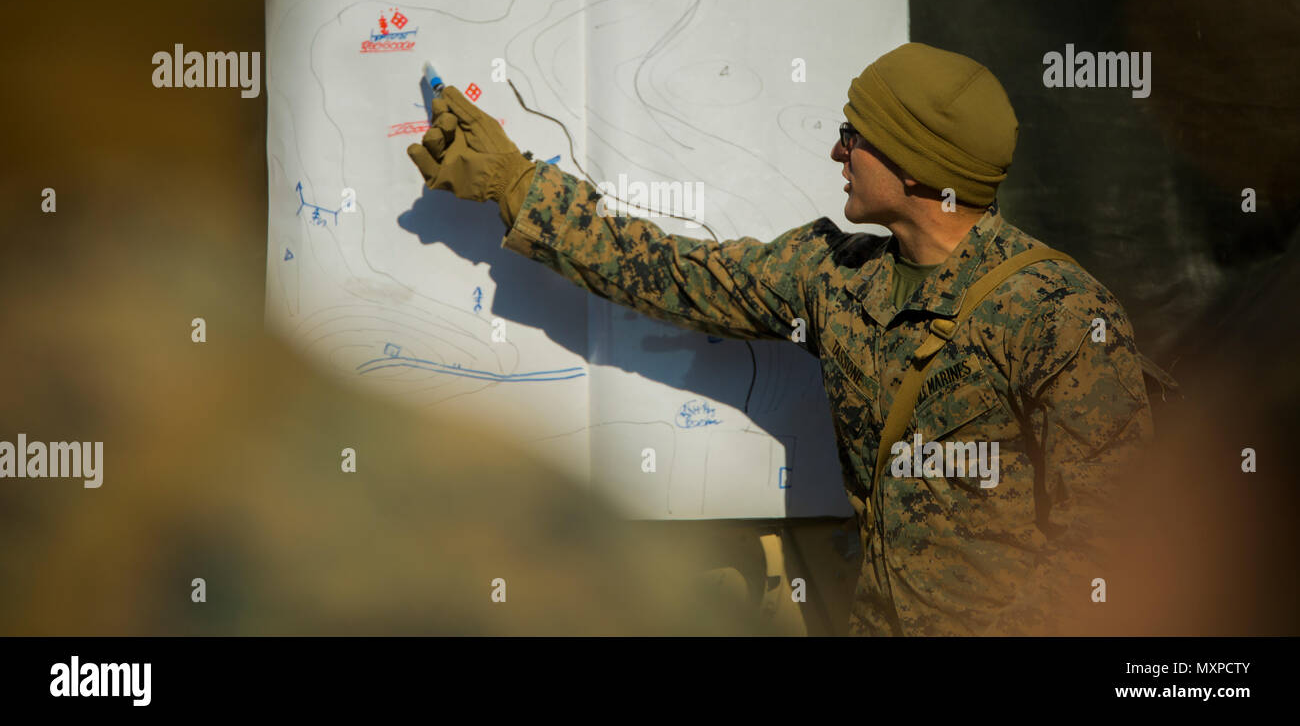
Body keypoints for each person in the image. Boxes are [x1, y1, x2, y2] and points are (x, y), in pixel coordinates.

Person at [407, 42, 1155, 635]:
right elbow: (669, 271)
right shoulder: (836, 278)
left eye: (854, 134)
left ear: (917, 161)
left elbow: (1113, 545)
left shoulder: (1058, 315)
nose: (837, 152)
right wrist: (511, 181)